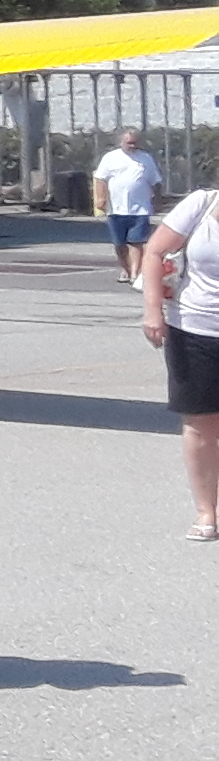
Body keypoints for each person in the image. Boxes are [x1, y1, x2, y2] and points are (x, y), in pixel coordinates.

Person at [137, 184, 219, 541]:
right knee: (200, 423)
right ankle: (206, 511)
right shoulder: (202, 204)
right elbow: (155, 251)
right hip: (193, 329)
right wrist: (153, 311)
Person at [95, 127, 161, 285]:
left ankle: (135, 273)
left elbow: (156, 181)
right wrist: (101, 198)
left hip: (140, 209)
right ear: (121, 142)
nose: (132, 146)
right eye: (129, 143)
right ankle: (125, 269)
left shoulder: (145, 159)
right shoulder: (110, 158)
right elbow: (100, 179)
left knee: (136, 242)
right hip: (116, 209)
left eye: (135, 143)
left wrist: (157, 201)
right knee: (120, 244)